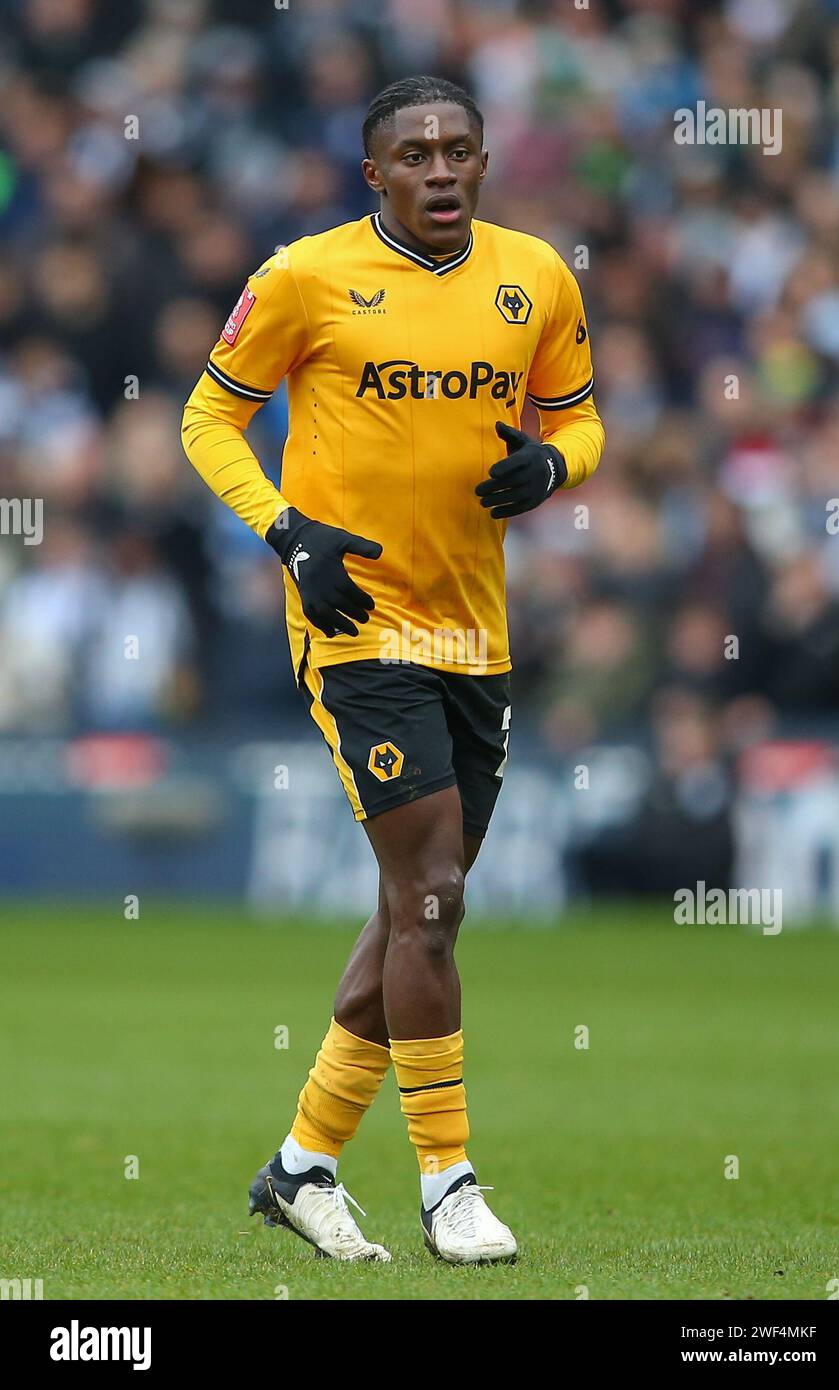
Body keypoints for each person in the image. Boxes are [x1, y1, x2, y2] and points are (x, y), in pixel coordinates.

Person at [181, 74, 604, 1265]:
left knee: (414, 907)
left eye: (456, 149)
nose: (438, 169)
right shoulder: (302, 275)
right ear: (374, 173)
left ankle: (301, 1167)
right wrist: (285, 530)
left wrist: (554, 469)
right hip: (354, 619)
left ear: (481, 161)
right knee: (431, 891)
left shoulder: (536, 277)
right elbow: (207, 417)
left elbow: (581, 418)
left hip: (477, 632)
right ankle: (447, 1183)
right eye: (413, 152)